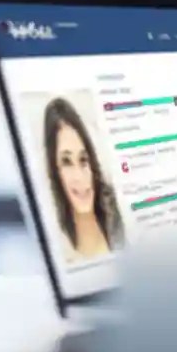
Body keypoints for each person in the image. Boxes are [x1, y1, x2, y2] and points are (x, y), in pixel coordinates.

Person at [43, 97, 124, 261]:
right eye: (66, 162)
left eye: (83, 160)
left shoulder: (117, 211)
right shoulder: (59, 247)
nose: (79, 177)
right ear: (54, 170)